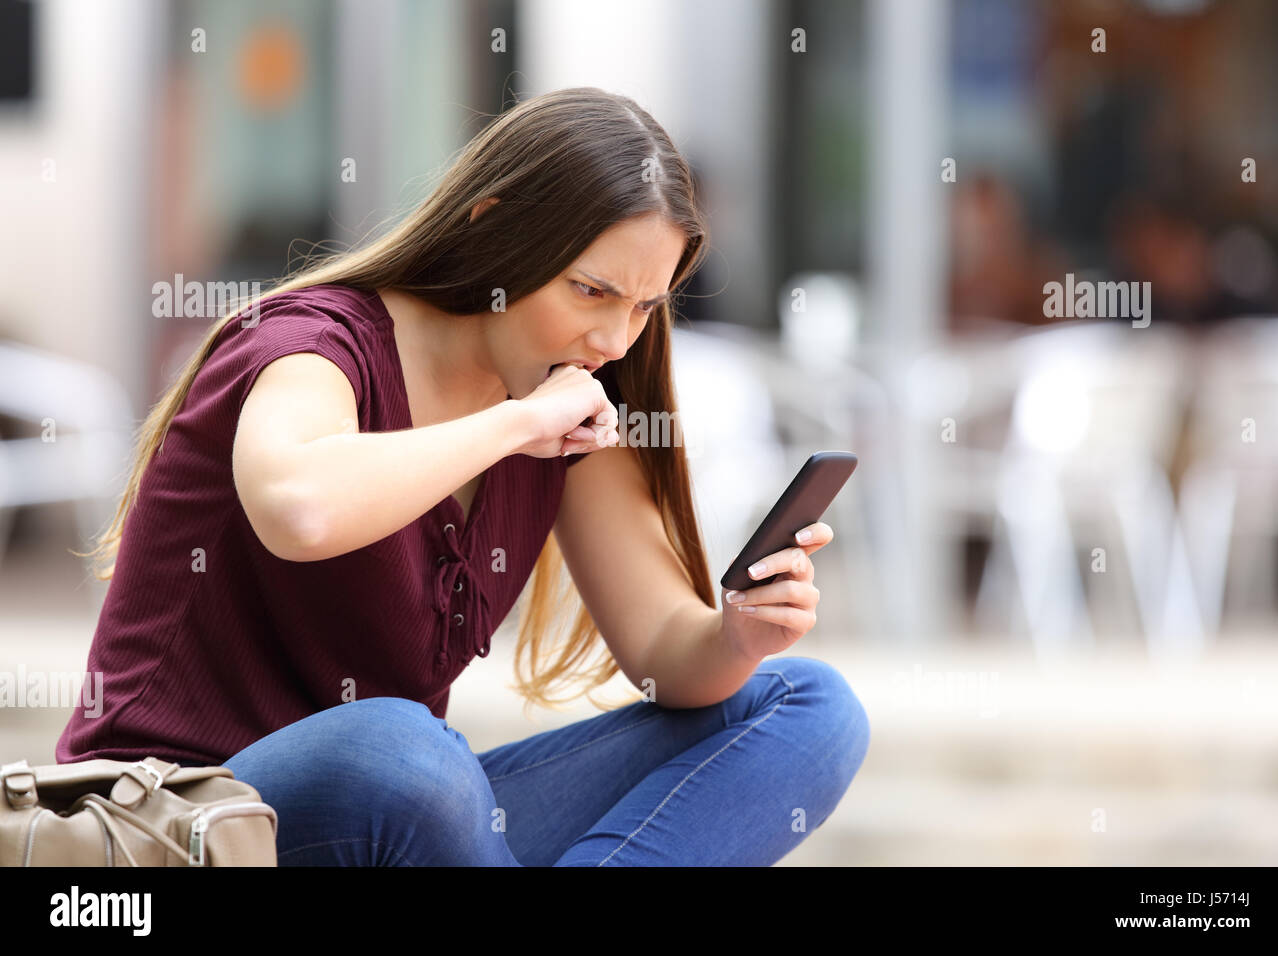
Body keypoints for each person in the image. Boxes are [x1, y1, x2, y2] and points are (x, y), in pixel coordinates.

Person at [57, 87, 869, 866]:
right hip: (176, 823)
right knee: (404, 750)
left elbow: (664, 648)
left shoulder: (565, 390)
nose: (615, 340)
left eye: (646, 306)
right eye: (591, 291)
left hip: (396, 817)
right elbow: (298, 507)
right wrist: (513, 429)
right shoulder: (309, 347)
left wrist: (737, 634)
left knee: (811, 707)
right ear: (495, 232)